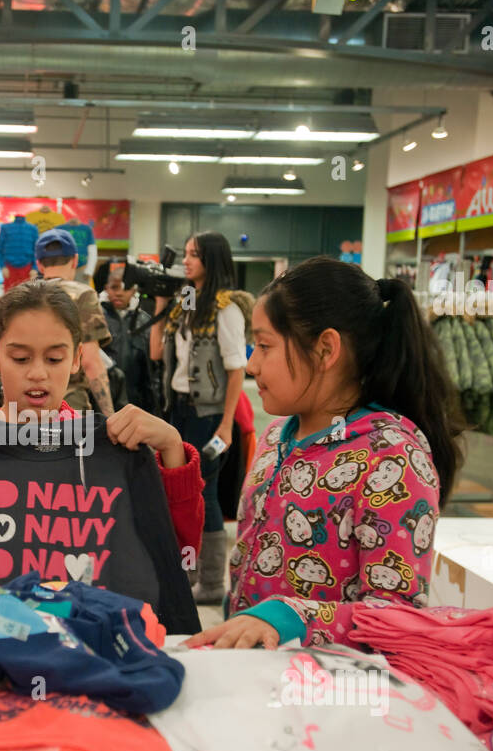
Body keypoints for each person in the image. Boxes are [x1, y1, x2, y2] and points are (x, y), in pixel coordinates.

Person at [185, 256, 465, 650]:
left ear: (325, 349)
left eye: (264, 346)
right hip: (251, 680)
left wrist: (290, 617)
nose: (251, 364)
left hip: (327, 695)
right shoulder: (276, 436)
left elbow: (398, 616)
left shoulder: (391, 456)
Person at [0, 279, 203, 571]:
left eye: (54, 359)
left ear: (77, 358)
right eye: (20, 358)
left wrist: (173, 452)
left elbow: (178, 557)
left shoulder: (111, 448)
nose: (37, 373)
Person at [148, 231, 247, 605]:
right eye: (186, 254)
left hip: (208, 414)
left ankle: (209, 581)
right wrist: (160, 301)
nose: (186, 261)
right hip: (177, 410)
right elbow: (157, 353)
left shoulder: (228, 308)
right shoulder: (185, 301)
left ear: (212, 260)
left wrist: (226, 425)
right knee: (180, 492)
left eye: (194, 255)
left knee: (205, 494)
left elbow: (236, 369)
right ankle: (188, 575)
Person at [34, 229, 115, 416]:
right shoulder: (82, 296)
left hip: (25, 405)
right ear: (76, 260)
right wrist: (110, 417)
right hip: (69, 404)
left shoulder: (21, 296)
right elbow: (91, 361)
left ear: (39, 263)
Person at [97, 258, 160, 415]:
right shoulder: (96, 318)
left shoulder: (144, 321)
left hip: (137, 401)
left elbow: (150, 368)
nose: (119, 292)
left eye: (125, 288)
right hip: (105, 400)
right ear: (106, 288)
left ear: (134, 290)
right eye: (114, 287)